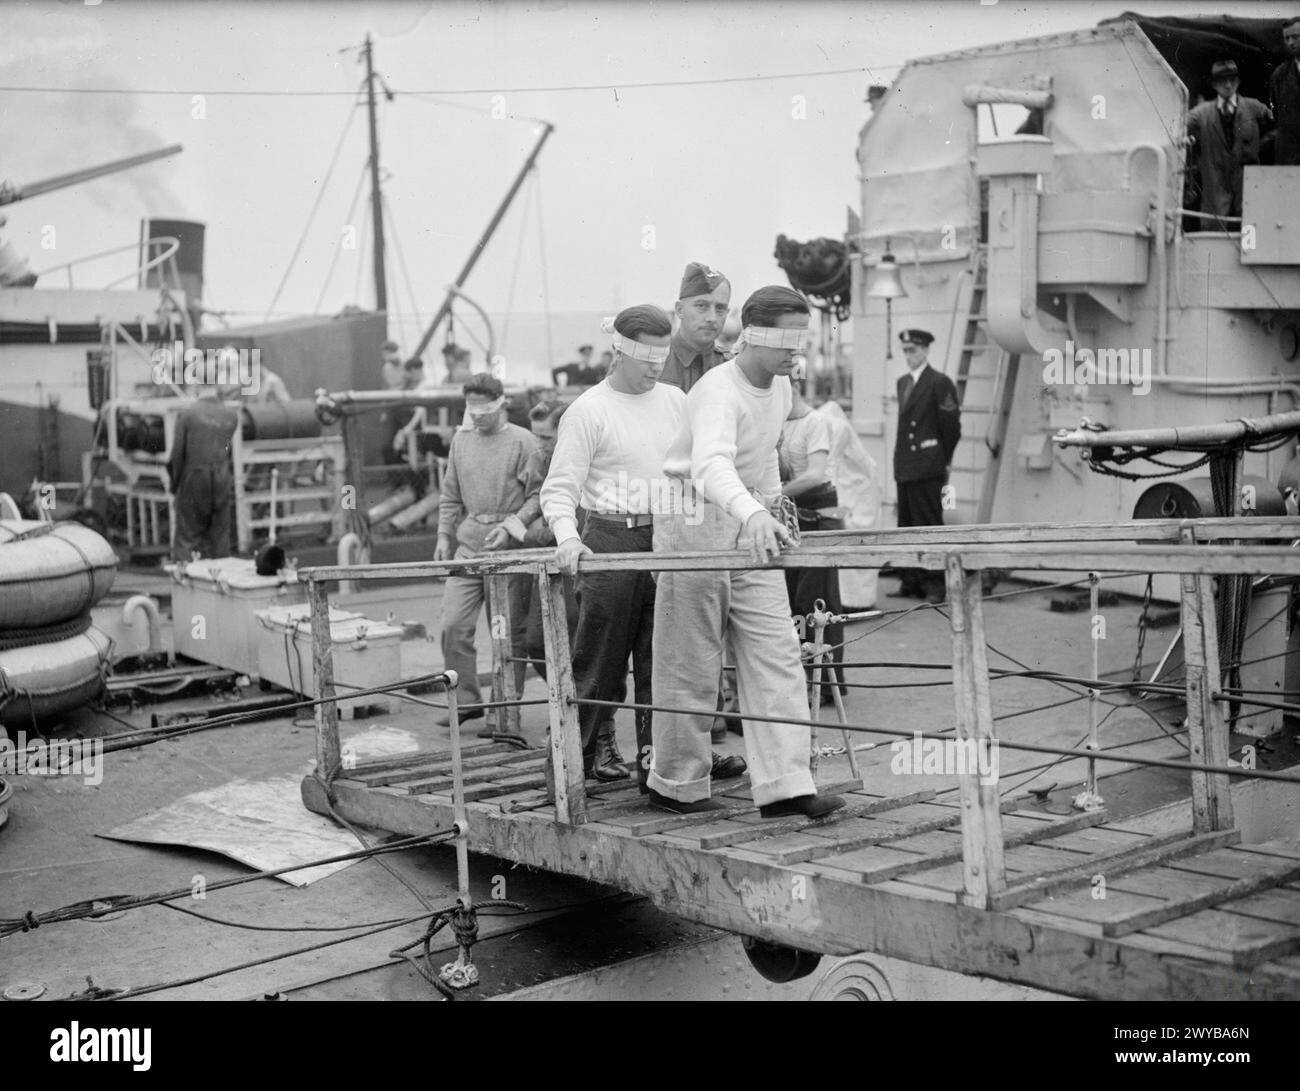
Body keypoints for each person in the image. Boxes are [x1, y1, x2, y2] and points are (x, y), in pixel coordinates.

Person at [647, 285, 845, 819]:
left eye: (799, 340)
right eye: (787, 339)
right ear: (754, 335)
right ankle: (677, 784)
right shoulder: (719, 391)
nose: (795, 351)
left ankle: (786, 785)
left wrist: (770, 504)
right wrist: (752, 511)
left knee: (777, 652)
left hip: (749, 522)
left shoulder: (778, 389)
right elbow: (711, 465)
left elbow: (758, 462)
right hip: (695, 521)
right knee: (690, 663)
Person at [540, 305, 747, 787]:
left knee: (667, 659)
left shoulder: (676, 400)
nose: (657, 366)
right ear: (620, 351)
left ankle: (666, 764)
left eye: (661, 356)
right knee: (599, 660)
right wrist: (568, 539)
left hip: (669, 533)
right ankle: (567, 766)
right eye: (646, 358)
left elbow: (703, 465)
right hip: (611, 539)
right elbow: (559, 487)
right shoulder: (588, 411)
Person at [434, 373, 538, 732]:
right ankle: (466, 701)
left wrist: (512, 526)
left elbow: (539, 495)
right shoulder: (461, 443)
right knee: (452, 626)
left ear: (501, 404)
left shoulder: (523, 443)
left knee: (504, 633)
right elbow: (450, 495)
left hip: (506, 552)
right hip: (468, 548)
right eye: (471, 410)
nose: (477, 416)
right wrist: (444, 535)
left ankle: (505, 712)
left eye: (484, 410)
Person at [780, 373, 847, 705]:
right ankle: (805, 679)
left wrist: (775, 493)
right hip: (793, 515)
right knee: (794, 600)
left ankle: (825, 683)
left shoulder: (815, 421)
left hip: (820, 516)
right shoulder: (779, 424)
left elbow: (816, 473)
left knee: (817, 600)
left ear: (794, 387)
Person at [891, 329, 961, 605]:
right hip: (906, 466)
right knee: (906, 525)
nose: (909, 356)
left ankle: (935, 585)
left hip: (928, 466)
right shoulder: (902, 383)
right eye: (906, 351)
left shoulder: (940, 382)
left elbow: (951, 428)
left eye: (914, 351)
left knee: (929, 525)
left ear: (925, 351)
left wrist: (938, 459)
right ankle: (911, 582)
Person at [1186, 59, 1272, 220]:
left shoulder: (1255, 108)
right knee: (1213, 234)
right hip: (1215, 189)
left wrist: (1258, 147)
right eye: (1222, 81)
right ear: (1214, 85)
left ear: (1238, 82)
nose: (1227, 85)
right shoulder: (1201, 113)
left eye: (1232, 80)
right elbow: (1178, 126)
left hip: (1247, 186)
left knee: (1251, 230)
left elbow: (1281, 128)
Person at [168, 381, 240, 561]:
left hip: (194, 478)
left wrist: (174, 486)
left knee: (188, 535)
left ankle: (183, 578)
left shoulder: (188, 415)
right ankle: (220, 579)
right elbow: (226, 450)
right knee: (220, 536)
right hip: (222, 478)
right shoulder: (231, 416)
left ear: (198, 388)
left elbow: (177, 455)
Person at [660, 261, 730, 394]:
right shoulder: (654, 361)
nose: (712, 318)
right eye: (701, 306)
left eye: (720, 309)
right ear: (680, 310)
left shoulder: (731, 367)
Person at [1271, 20, 1300, 167]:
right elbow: (1276, 112)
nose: (1291, 42)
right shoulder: (1280, 74)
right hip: (1289, 155)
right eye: (1287, 38)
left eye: (1295, 37)